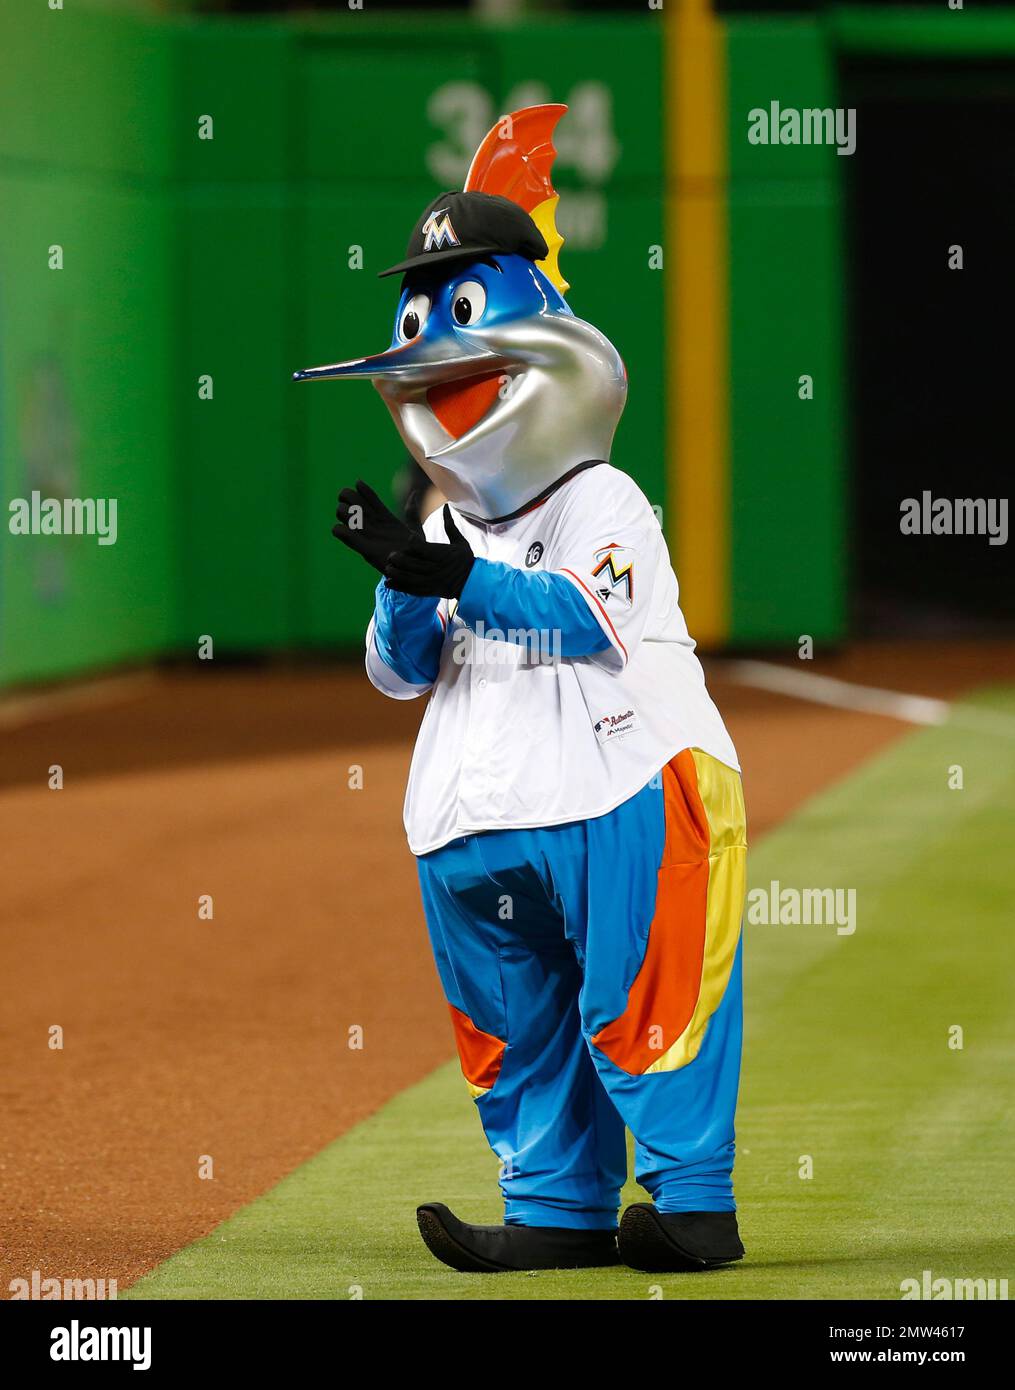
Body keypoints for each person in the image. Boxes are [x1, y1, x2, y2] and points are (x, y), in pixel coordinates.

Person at [295, 106, 747, 1275]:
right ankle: (554, 1208)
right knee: (520, 1027)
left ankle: (694, 1203)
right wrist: (406, 574)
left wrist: (450, 569)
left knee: (638, 1004)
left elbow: (585, 619)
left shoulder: (603, 500)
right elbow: (396, 673)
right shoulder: (445, 518)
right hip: (477, 817)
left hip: (625, 791)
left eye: (458, 309)